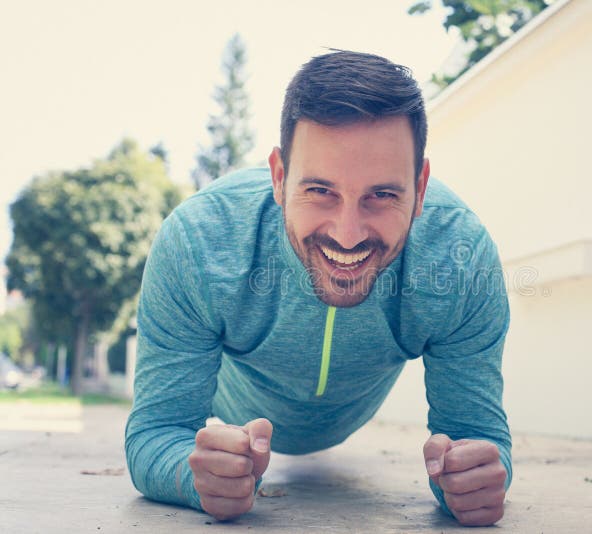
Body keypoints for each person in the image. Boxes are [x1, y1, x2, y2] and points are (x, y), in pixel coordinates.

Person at [125, 50, 512, 527]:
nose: (347, 234)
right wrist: (191, 474)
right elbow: (156, 432)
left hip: (354, 415)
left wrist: (468, 478)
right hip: (234, 405)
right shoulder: (197, 240)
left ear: (421, 187)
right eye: (320, 191)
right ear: (279, 176)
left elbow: (478, 435)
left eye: (383, 195)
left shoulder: (462, 256)